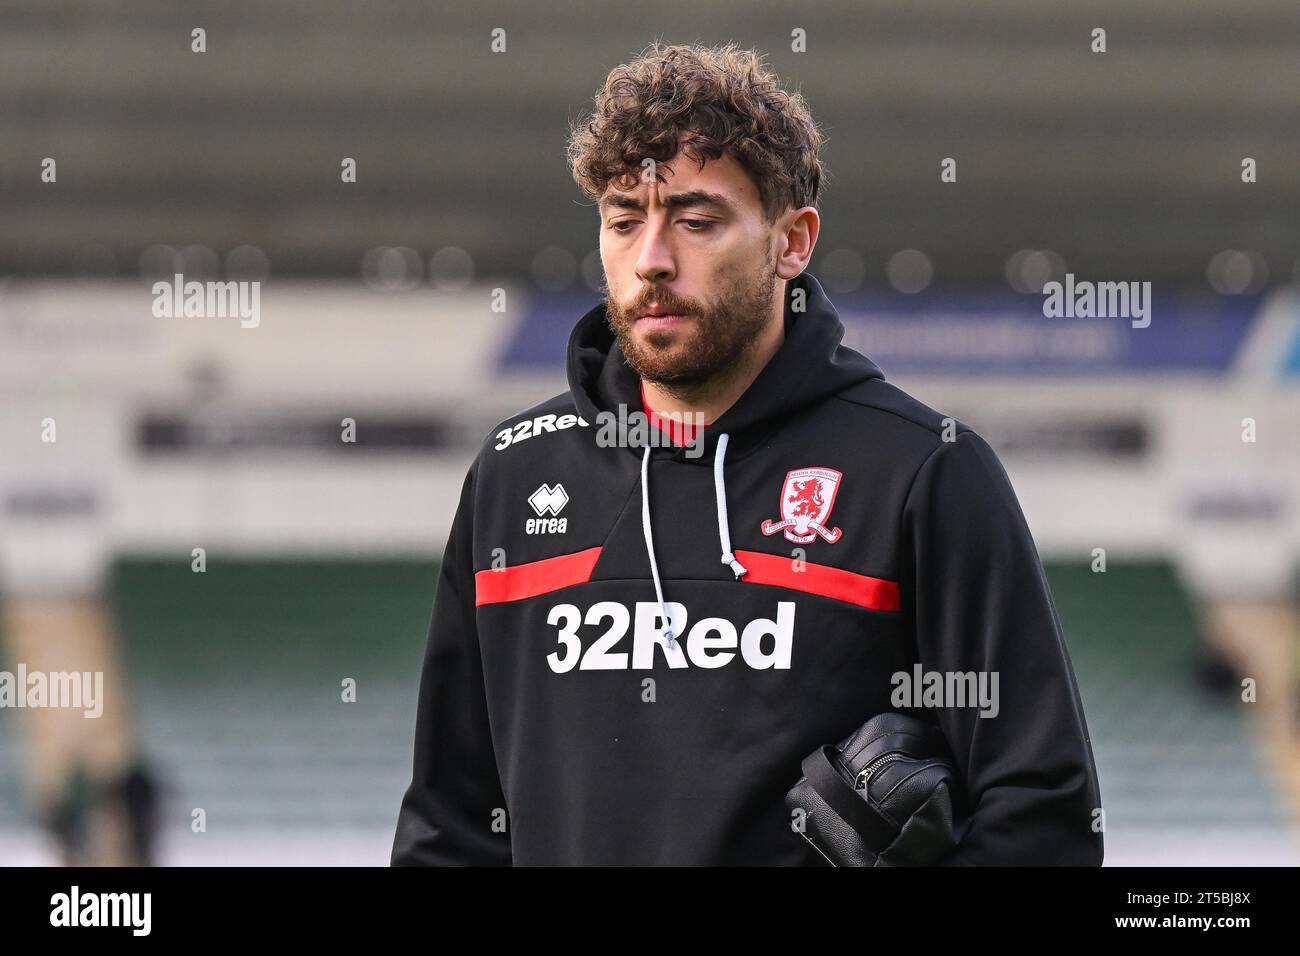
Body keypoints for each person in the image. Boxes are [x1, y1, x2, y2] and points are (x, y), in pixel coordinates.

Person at [392, 41, 1103, 866]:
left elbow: (1042, 814)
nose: (652, 259)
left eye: (697, 221)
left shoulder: (921, 471)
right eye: (625, 220)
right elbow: (451, 825)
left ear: (791, 242)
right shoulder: (515, 478)